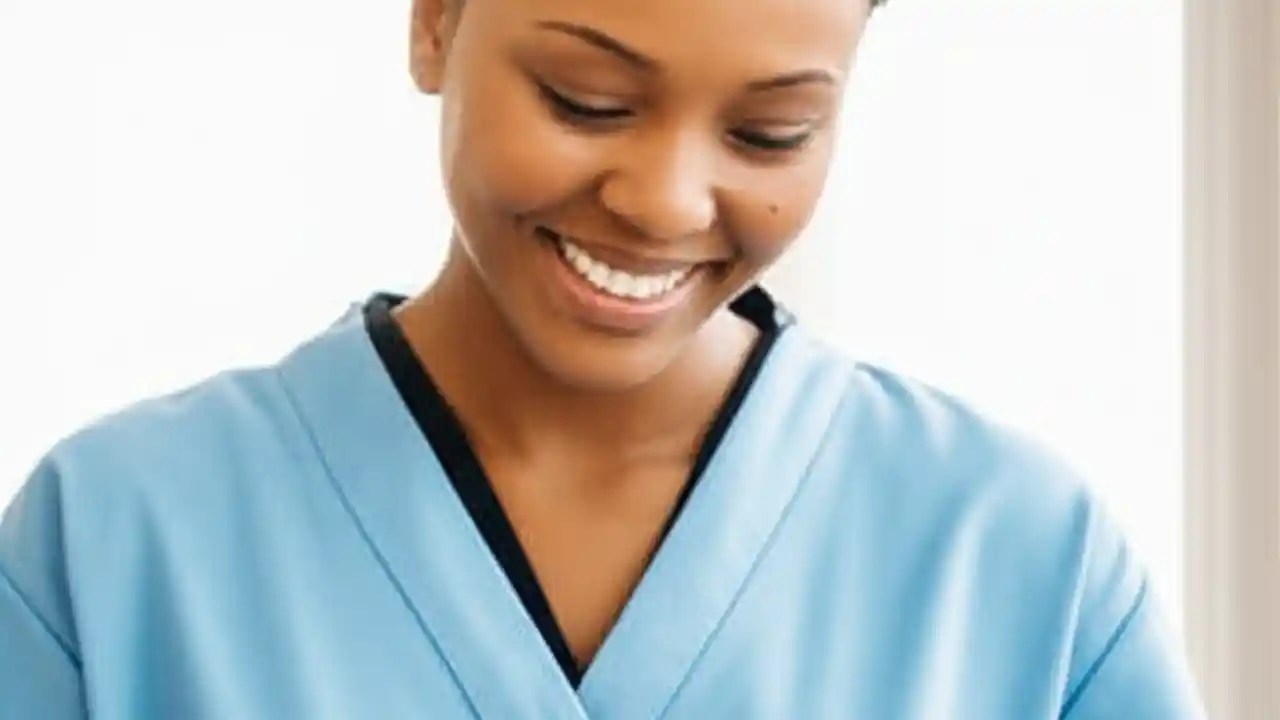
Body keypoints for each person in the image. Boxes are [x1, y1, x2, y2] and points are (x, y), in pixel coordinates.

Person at [0, 0, 1205, 717]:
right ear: (434, 21)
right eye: (584, 99)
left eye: (767, 132)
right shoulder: (110, 546)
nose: (667, 201)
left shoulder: (1025, 565)